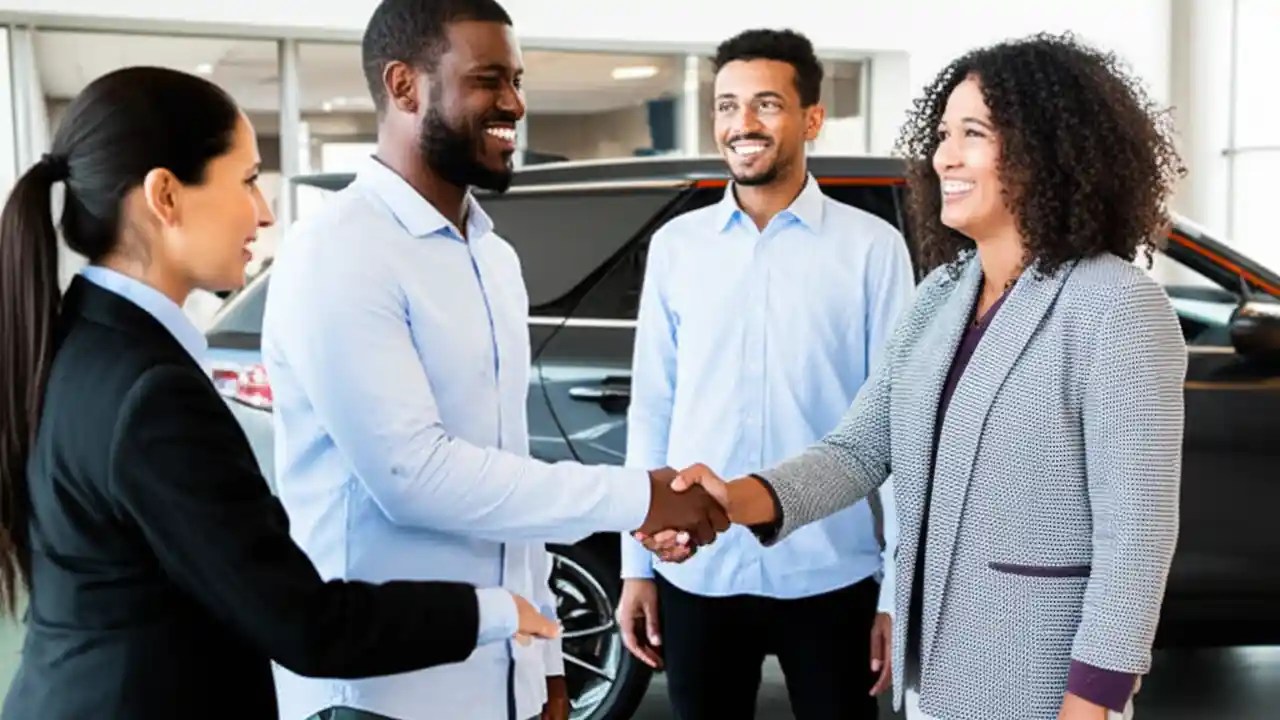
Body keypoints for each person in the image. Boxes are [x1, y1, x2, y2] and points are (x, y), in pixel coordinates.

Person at [653, 32, 1187, 720]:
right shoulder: (943, 292)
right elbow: (857, 452)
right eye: (942, 133)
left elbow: (1136, 536)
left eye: (974, 133)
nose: (945, 156)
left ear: (1048, 150)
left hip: (1045, 685)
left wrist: (1094, 700)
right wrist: (729, 499)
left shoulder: (1115, 305)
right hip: (934, 674)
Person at [0, 66, 562, 720]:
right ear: (165, 196)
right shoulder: (152, 394)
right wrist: (491, 609)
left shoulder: (72, 342)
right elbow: (305, 624)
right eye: (245, 180)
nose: (264, 212)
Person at [259, 2, 727, 720]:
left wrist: (539, 660)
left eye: (516, 79)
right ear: (404, 86)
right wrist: (642, 496)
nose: (514, 102)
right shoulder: (340, 251)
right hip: (375, 696)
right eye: (487, 79)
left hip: (492, 682)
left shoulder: (494, 257)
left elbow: (505, 474)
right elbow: (415, 477)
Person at [616, 28, 911, 720]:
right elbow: (652, 408)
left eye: (766, 104)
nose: (741, 124)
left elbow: (900, 429)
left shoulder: (873, 250)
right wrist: (637, 569)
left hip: (834, 573)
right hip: (697, 574)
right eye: (726, 106)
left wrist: (897, 593)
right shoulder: (676, 248)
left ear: (812, 118)